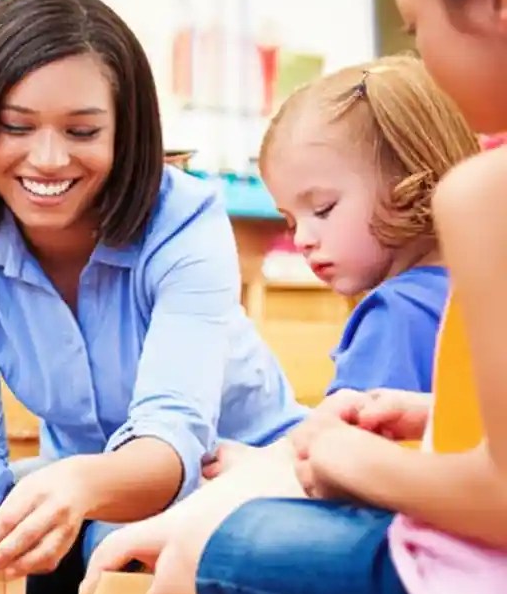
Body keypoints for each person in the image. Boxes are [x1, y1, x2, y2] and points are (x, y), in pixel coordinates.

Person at [81, 0, 507, 594]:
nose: (422, 53)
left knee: (198, 550)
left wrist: (352, 459)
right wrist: (425, 420)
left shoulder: (481, 198)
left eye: (416, 24)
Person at [0, 0, 306, 594]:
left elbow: (171, 444)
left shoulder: (185, 220)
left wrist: (74, 484)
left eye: (82, 131)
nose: (47, 159)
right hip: (88, 493)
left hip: (242, 483)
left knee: (106, 544)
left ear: (124, 133)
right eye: (16, 127)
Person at [202, 55, 477, 479]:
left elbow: (347, 465)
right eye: (291, 221)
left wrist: (258, 467)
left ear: (407, 184)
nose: (302, 239)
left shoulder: (395, 313)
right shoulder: (475, 291)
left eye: (323, 209)